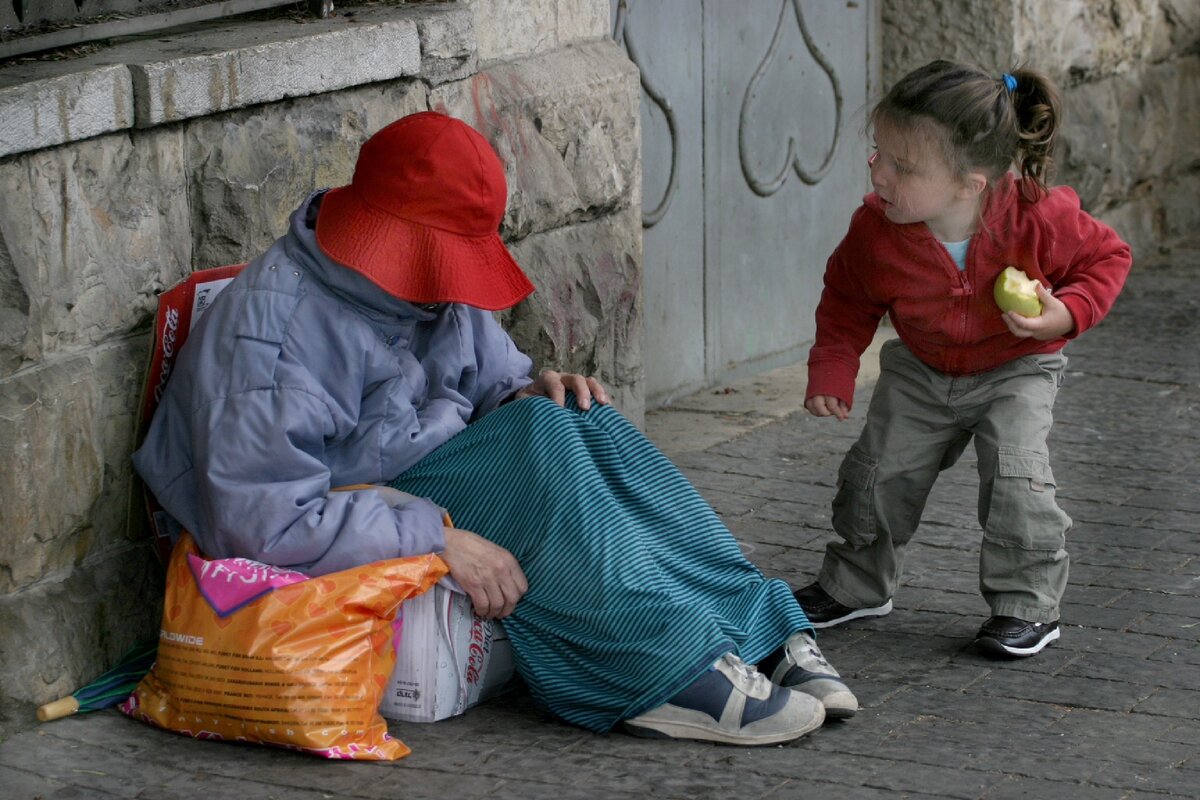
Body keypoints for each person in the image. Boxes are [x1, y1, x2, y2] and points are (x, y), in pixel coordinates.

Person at [133, 110, 857, 745]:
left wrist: (530, 388)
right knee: (536, 444)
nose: (447, 287)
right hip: (341, 504)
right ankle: (662, 674)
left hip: (412, 475)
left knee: (574, 418)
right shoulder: (274, 339)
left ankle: (759, 625)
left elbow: (490, 377)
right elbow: (259, 521)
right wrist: (439, 539)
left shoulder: (420, 292)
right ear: (382, 236)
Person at [794, 60, 1132, 657]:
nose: (878, 171)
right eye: (878, 152)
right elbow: (846, 299)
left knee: (1016, 477)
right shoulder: (876, 231)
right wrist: (833, 368)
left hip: (1017, 368)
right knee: (876, 474)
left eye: (902, 165)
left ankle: (1026, 605)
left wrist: (1066, 313)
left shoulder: (1036, 214)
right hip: (922, 370)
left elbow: (1107, 259)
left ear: (970, 184)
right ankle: (855, 583)